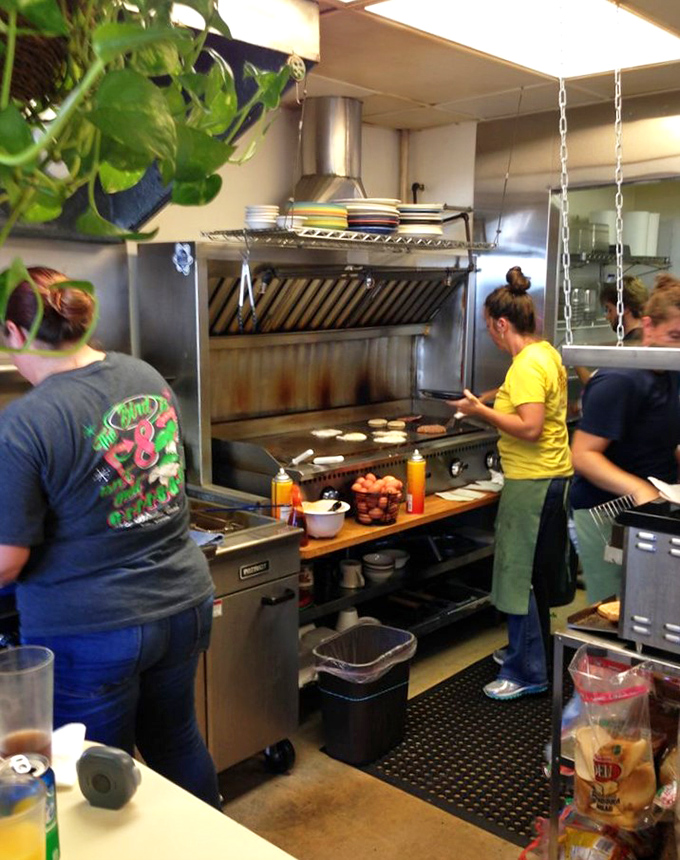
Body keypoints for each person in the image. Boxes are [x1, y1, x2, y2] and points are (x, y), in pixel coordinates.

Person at [0, 267, 220, 808]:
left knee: (94, 776)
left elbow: (7, 562)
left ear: (12, 333)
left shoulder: (27, 420)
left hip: (94, 628)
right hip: (182, 603)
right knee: (176, 738)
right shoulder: (143, 375)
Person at [452, 266, 574, 701]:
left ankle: (528, 673)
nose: (491, 336)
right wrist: (480, 400)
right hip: (555, 478)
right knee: (535, 577)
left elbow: (529, 426)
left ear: (503, 323)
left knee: (517, 577)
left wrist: (481, 413)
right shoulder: (545, 353)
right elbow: (518, 391)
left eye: (490, 329)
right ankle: (528, 652)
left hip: (532, 484)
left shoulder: (525, 365)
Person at [570, 275, 680, 604]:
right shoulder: (621, 378)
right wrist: (638, 488)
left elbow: (663, 438)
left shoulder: (673, 372)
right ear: (648, 327)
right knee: (618, 611)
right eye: (674, 336)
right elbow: (583, 455)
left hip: (653, 508)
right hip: (605, 513)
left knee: (656, 606)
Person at [573, 276, 649, 386]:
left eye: (609, 310)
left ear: (624, 309)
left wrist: (576, 361)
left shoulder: (631, 346)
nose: (607, 316)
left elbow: (599, 388)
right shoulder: (644, 336)